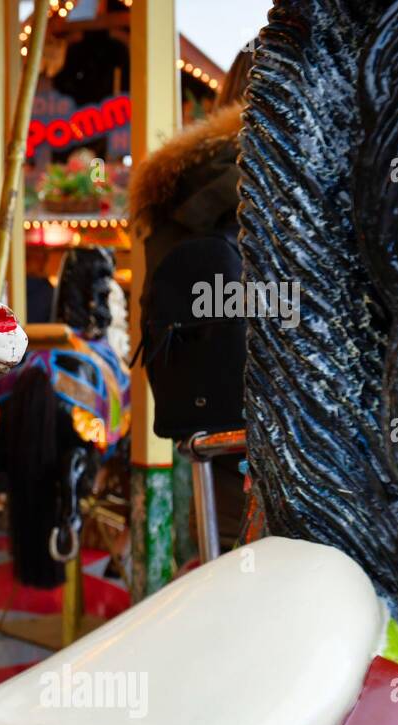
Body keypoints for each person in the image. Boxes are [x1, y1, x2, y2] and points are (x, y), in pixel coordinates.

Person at [130, 50, 253, 552]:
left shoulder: (172, 184)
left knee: (226, 554)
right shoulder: (282, 169)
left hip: (200, 416)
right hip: (285, 417)